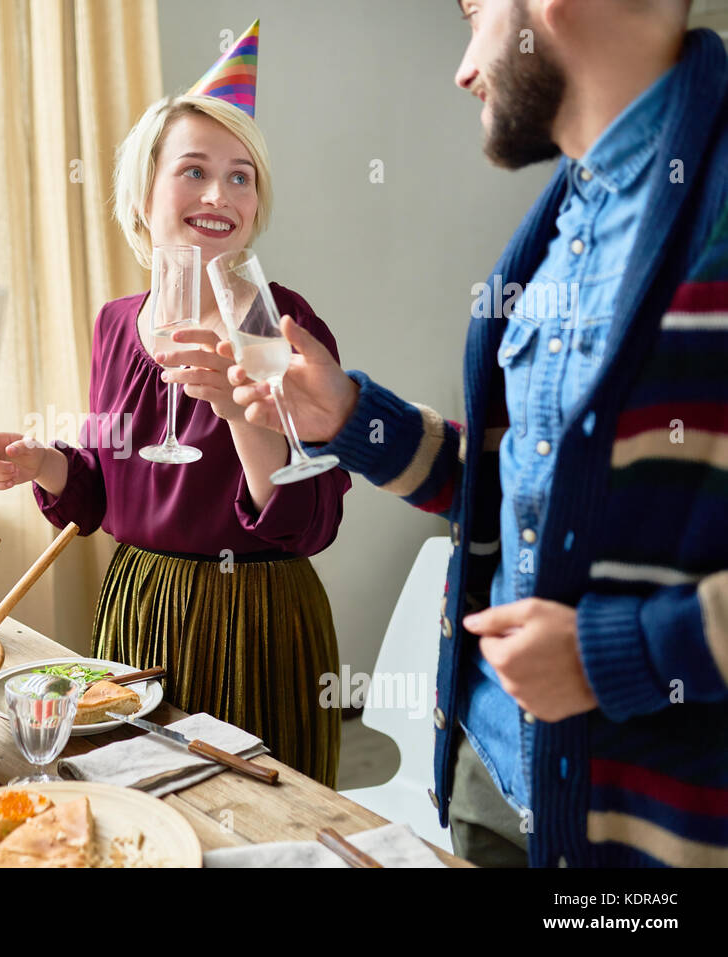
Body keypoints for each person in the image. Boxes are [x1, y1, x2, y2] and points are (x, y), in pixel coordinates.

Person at [230, 0, 728, 867]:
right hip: (487, 783)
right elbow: (526, 486)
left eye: (472, 14)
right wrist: (350, 418)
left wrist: (620, 656)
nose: (464, 70)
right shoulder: (571, 213)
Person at [0, 24, 352, 783]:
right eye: (195, 171)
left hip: (257, 617)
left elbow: (312, 520)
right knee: (142, 826)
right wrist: (46, 463)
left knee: (257, 829)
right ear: (144, 195)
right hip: (139, 607)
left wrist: (241, 409)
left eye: (242, 177)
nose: (221, 195)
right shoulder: (118, 323)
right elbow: (103, 490)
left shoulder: (277, 321)